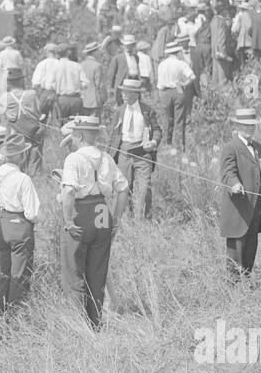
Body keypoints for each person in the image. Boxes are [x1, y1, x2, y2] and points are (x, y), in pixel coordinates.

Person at [59, 117, 127, 327]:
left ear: (79, 135)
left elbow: (69, 190)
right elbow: (123, 189)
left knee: (73, 271)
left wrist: (68, 219)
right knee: (98, 271)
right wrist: (115, 218)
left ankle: (77, 325)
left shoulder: (74, 158)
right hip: (102, 210)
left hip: (82, 210)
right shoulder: (107, 157)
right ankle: (94, 322)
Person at [217, 108, 261, 278]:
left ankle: (246, 279)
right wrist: (234, 184)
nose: (249, 128)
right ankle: (233, 285)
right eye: (245, 125)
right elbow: (227, 172)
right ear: (237, 126)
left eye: (252, 125)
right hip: (239, 207)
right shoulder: (231, 147)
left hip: (256, 207)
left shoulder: (258, 147)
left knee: (251, 245)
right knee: (236, 247)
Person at [0, 136, 40, 315]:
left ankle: (0, 313)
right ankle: (14, 317)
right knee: (20, 275)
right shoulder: (23, 179)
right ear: (22, 156)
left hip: (0, 224)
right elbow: (33, 213)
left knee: (4, 273)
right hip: (18, 226)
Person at [110, 79, 159, 219]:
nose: (123, 95)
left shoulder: (147, 110)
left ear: (136, 94)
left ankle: (143, 220)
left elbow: (157, 130)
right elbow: (113, 135)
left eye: (127, 92)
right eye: (123, 92)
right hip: (124, 151)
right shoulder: (120, 111)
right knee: (124, 186)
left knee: (144, 188)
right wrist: (108, 156)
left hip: (143, 151)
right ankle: (125, 219)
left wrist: (153, 143)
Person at [155, 40, 195, 154]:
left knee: (167, 119)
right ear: (177, 51)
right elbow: (192, 77)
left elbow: (159, 84)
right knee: (179, 120)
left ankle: (167, 144)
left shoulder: (162, 64)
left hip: (164, 92)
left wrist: (160, 95)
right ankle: (179, 146)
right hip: (177, 90)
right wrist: (183, 84)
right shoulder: (180, 63)